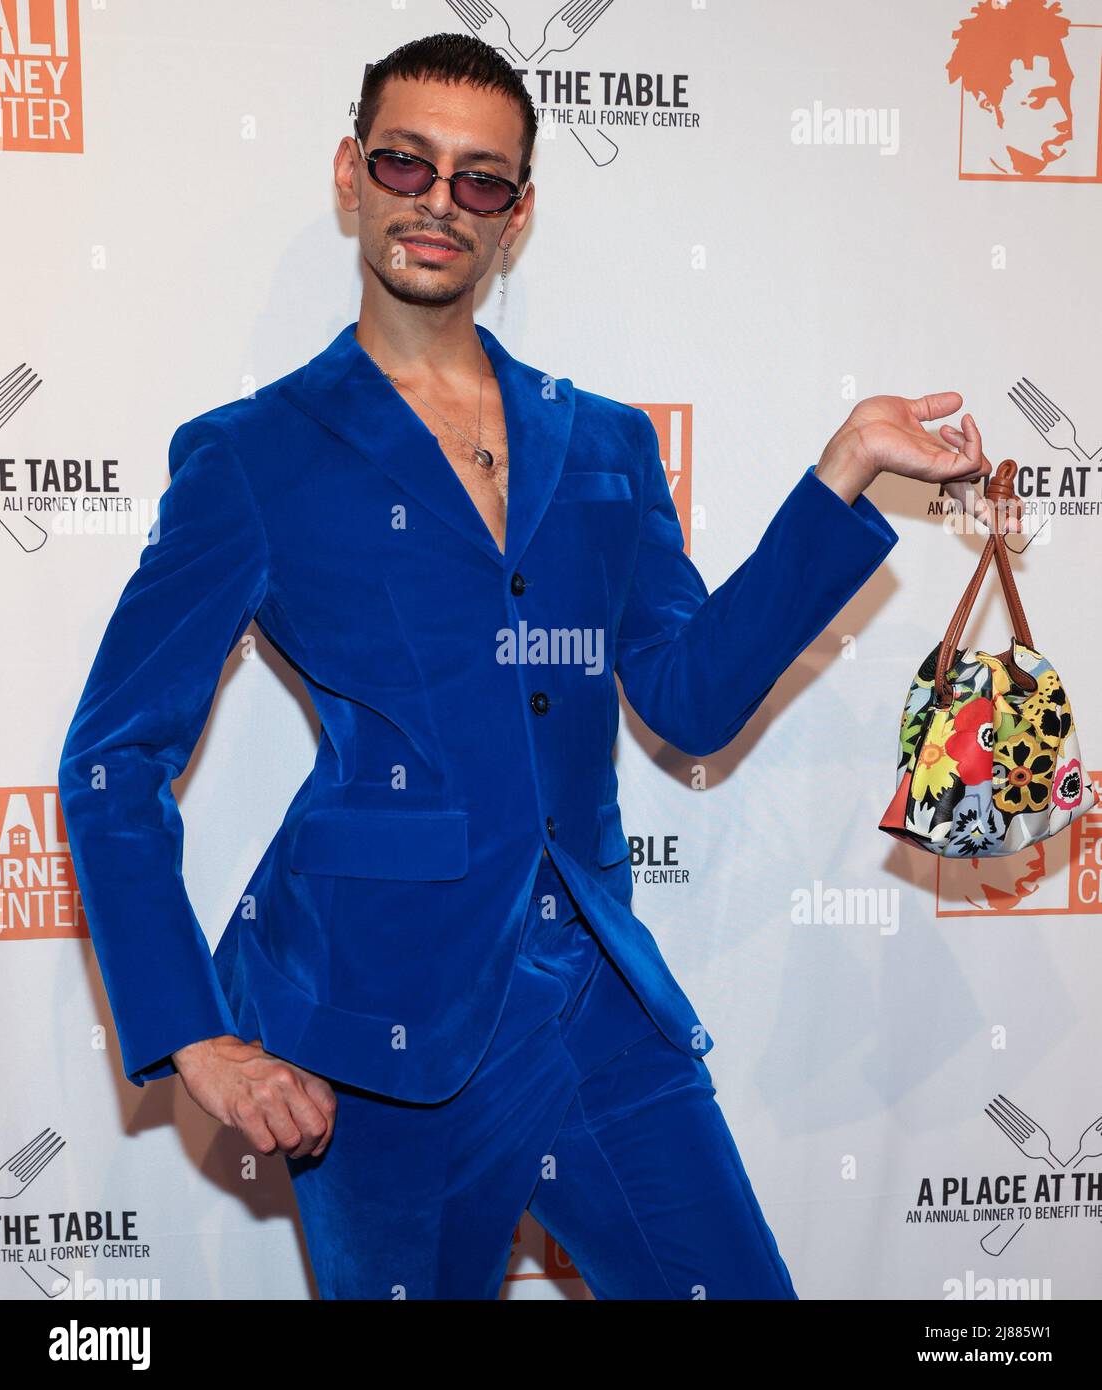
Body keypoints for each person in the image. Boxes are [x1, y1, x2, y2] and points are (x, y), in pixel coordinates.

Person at [57, 32, 1012, 1300]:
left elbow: (688, 699)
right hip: (376, 1036)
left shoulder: (606, 443)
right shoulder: (251, 456)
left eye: (481, 178)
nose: (438, 200)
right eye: (406, 162)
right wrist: (189, 1034)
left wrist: (838, 473)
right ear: (351, 174)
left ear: (517, 213)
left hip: (598, 1007)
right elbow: (114, 759)